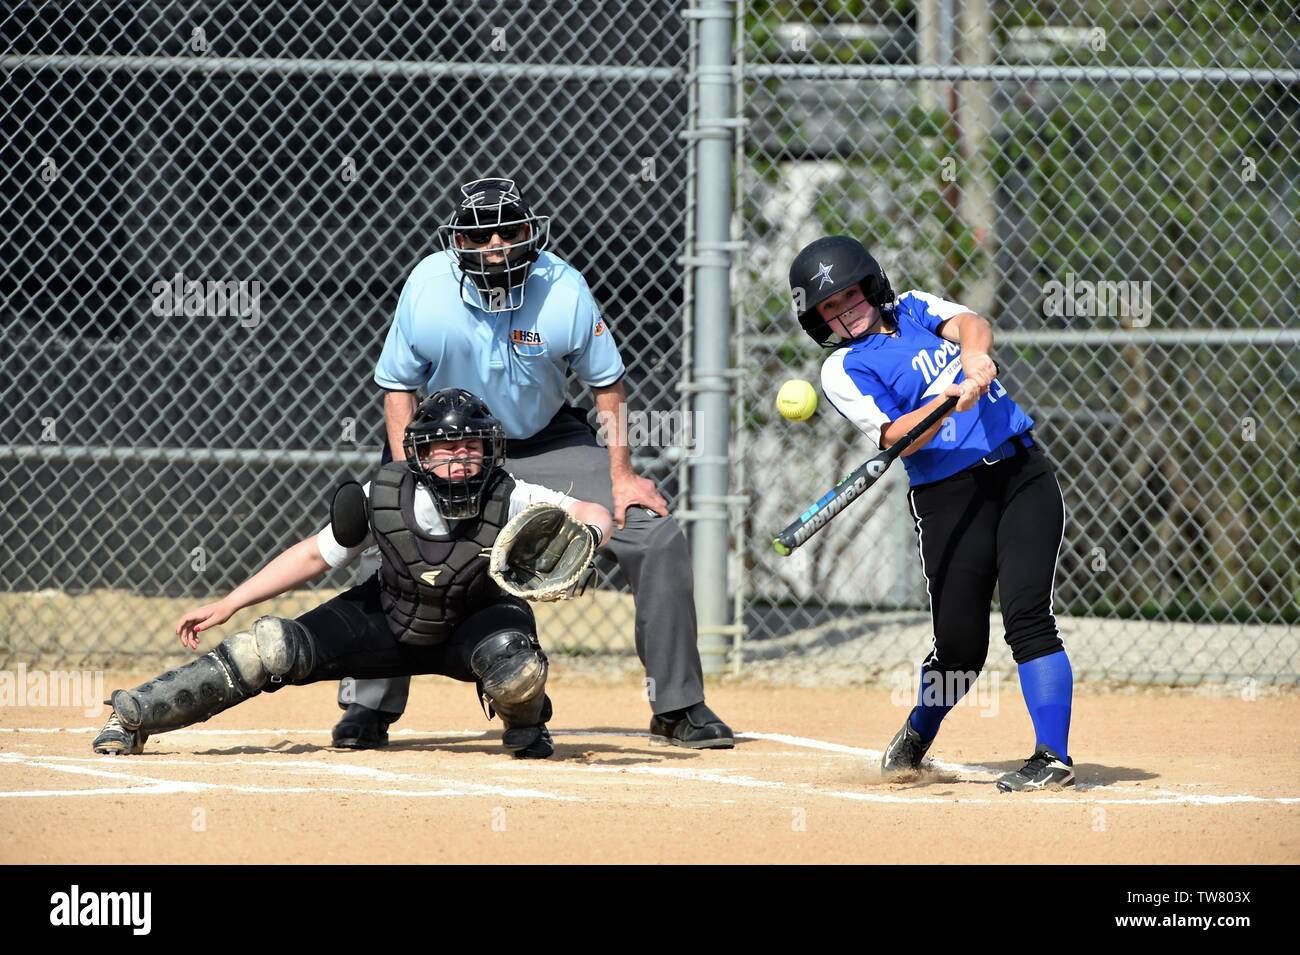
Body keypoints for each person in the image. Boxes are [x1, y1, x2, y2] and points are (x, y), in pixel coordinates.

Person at [331, 176, 733, 750]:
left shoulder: (562, 287)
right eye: (479, 235)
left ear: (531, 232)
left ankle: (677, 704)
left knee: (655, 534)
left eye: (509, 231)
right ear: (458, 244)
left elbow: (607, 384)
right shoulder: (427, 285)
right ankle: (368, 707)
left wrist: (621, 476)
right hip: (449, 445)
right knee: (390, 536)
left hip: (542, 439)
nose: (495, 245)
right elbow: (399, 388)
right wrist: (403, 477)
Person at [90, 389, 612, 761]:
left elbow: (593, 511)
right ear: (420, 453)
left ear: (489, 451)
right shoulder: (382, 496)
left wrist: (589, 537)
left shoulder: (512, 492)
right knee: (268, 648)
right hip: (389, 617)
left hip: (475, 624)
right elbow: (315, 557)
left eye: (471, 448)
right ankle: (135, 714)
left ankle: (525, 727)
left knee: (515, 663)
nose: (460, 460)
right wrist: (230, 603)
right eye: (445, 449)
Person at [789, 235, 1075, 791]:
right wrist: (949, 398)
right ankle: (920, 729)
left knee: (1029, 616)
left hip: (1022, 474)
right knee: (961, 651)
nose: (845, 311)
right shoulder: (843, 369)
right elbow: (898, 437)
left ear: (872, 286)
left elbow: (972, 324)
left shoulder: (915, 307)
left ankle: (1053, 756)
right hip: (950, 500)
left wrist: (972, 355)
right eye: (829, 307)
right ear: (816, 319)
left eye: (851, 295)